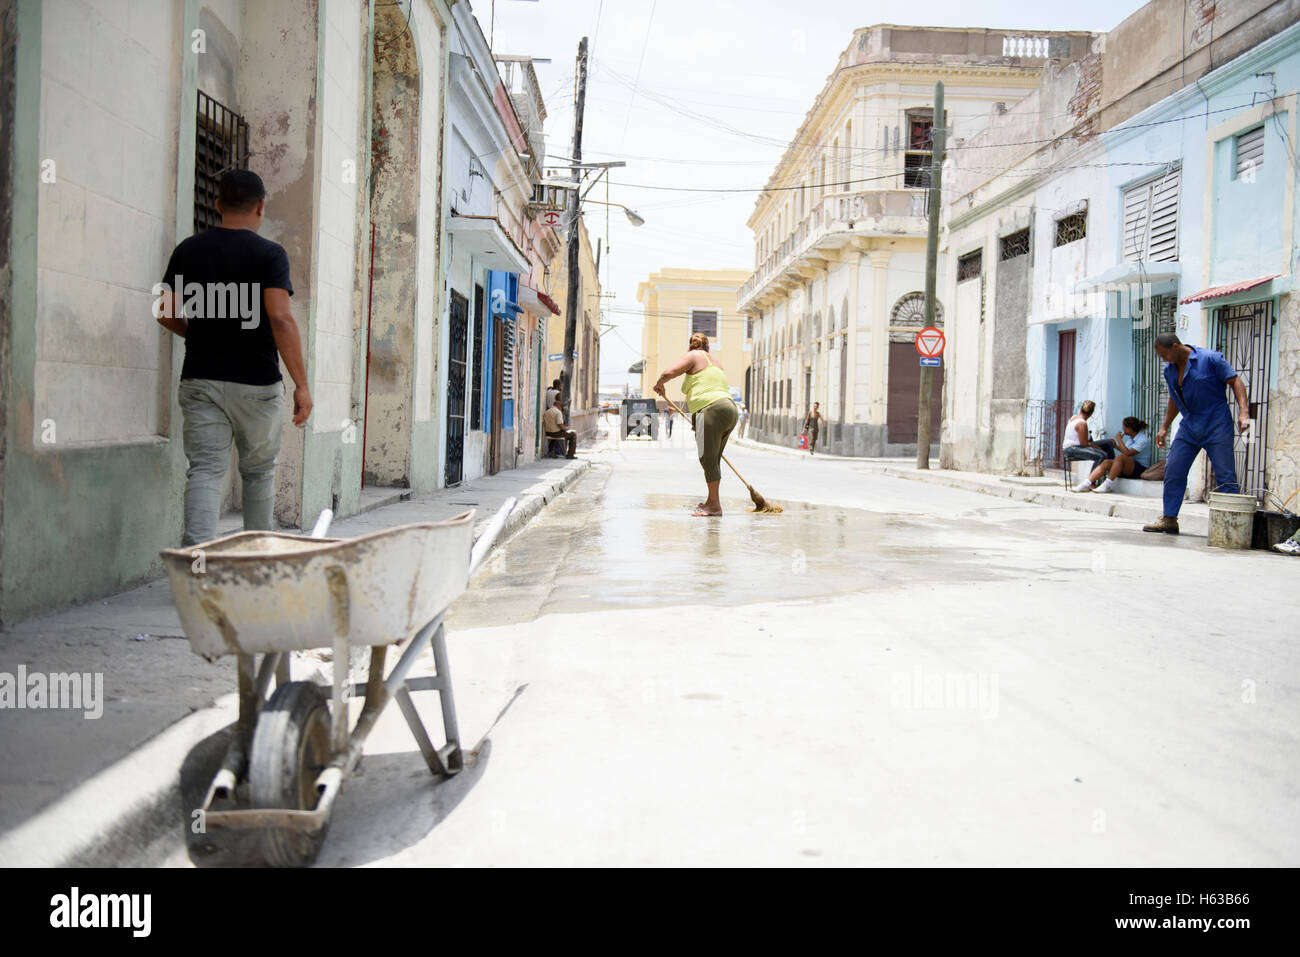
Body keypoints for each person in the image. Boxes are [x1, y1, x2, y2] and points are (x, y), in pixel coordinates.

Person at [155, 169, 311, 547]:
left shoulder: (187, 250)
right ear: (260, 207)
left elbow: (163, 310)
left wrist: (199, 333)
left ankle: (198, 564)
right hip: (256, 383)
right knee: (258, 473)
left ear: (217, 204)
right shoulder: (269, 255)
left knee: (205, 471)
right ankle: (256, 561)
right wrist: (302, 385)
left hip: (201, 379)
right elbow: (279, 316)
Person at [1143, 333, 1251, 534]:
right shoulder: (1170, 370)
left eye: (1165, 355)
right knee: (1174, 469)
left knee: (1225, 475)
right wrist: (1164, 426)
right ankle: (1169, 518)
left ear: (1176, 346)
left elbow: (1235, 381)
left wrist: (1244, 412)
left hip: (1216, 424)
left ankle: (1232, 526)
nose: (1164, 360)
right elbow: (1175, 397)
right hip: (1190, 425)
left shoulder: (1210, 359)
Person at [654, 333, 738, 517]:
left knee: (707, 459)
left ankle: (714, 506)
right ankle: (711, 500)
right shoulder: (716, 363)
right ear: (708, 347)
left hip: (712, 410)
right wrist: (697, 421)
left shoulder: (693, 356)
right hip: (729, 409)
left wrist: (660, 383)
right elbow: (704, 390)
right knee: (714, 459)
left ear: (692, 347)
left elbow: (669, 372)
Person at [1074, 417, 1151, 493]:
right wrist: (1116, 446)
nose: (1122, 429)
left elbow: (1128, 453)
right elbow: (1125, 451)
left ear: (1129, 428)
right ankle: (1086, 484)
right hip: (1128, 466)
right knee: (1107, 462)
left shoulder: (1143, 439)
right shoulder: (1131, 439)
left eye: (1124, 427)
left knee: (1120, 457)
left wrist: (1119, 440)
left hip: (1140, 469)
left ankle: (1107, 485)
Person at [1061, 400, 1105, 480]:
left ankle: (1104, 474)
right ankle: (1091, 481)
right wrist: (1097, 448)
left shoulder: (1073, 418)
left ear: (1081, 409)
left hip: (1074, 447)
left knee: (1107, 444)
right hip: (1073, 449)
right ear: (1091, 413)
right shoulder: (1082, 423)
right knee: (1101, 455)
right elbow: (1084, 443)